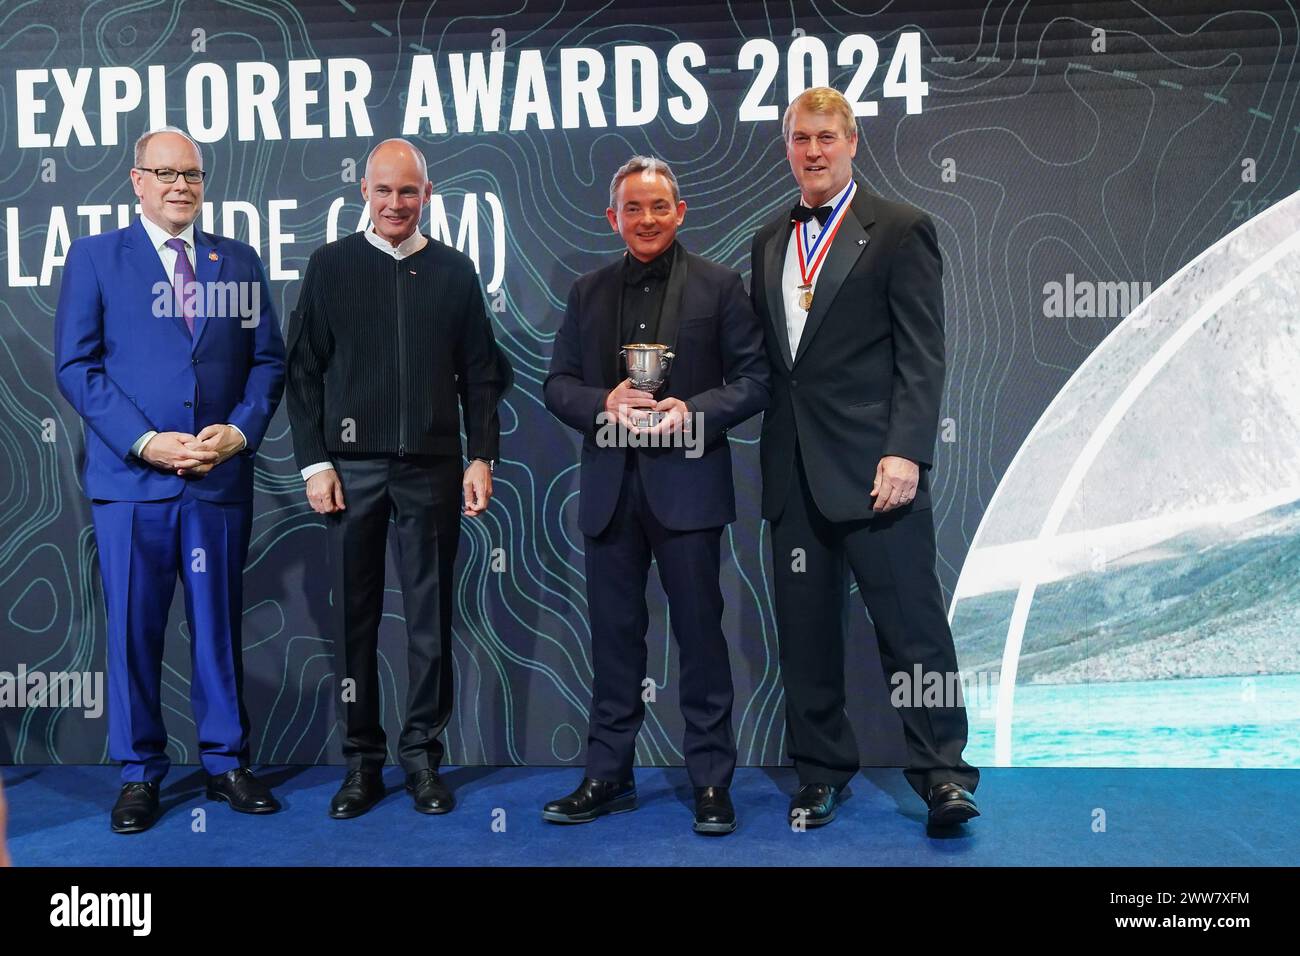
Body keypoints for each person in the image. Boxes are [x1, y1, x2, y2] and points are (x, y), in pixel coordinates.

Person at [749, 87, 980, 829]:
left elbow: (923, 354)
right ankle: (819, 773)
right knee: (807, 639)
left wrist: (906, 451)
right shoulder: (767, 241)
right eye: (799, 139)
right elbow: (774, 365)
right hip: (795, 474)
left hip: (880, 474)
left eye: (826, 137)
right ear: (786, 148)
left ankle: (943, 773)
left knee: (914, 632)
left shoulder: (900, 229)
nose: (812, 151)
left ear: (852, 143)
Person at [54, 126, 286, 833]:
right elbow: (77, 367)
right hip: (132, 484)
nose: (180, 185)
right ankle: (138, 773)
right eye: (165, 173)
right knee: (132, 631)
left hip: (216, 481)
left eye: (191, 174)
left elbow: (268, 361)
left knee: (216, 626)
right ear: (136, 181)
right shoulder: (96, 258)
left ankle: (225, 763)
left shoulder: (237, 262)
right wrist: (147, 441)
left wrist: (239, 432)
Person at [542, 156, 770, 834]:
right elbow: (556, 383)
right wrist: (600, 401)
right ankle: (607, 776)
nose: (646, 220)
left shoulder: (722, 287)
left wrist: (691, 413)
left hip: (690, 490)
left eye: (658, 207)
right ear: (613, 218)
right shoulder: (586, 292)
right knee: (614, 642)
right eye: (633, 209)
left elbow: (755, 380)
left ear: (681, 212)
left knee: (701, 639)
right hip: (610, 495)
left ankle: (710, 784)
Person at [286, 138, 511, 819]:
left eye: (407, 191)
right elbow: (302, 373)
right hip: (349, 472)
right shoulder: (330, 267)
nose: (395, 203)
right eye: (383, 191)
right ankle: (361, 764)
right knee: (354, 621)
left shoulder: (454, 271)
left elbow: (481, 373)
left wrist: (482, 456)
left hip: (434, 468)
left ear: (427, 195)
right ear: (364, 193)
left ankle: (422, 758)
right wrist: (317, 462)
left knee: (428, 619)